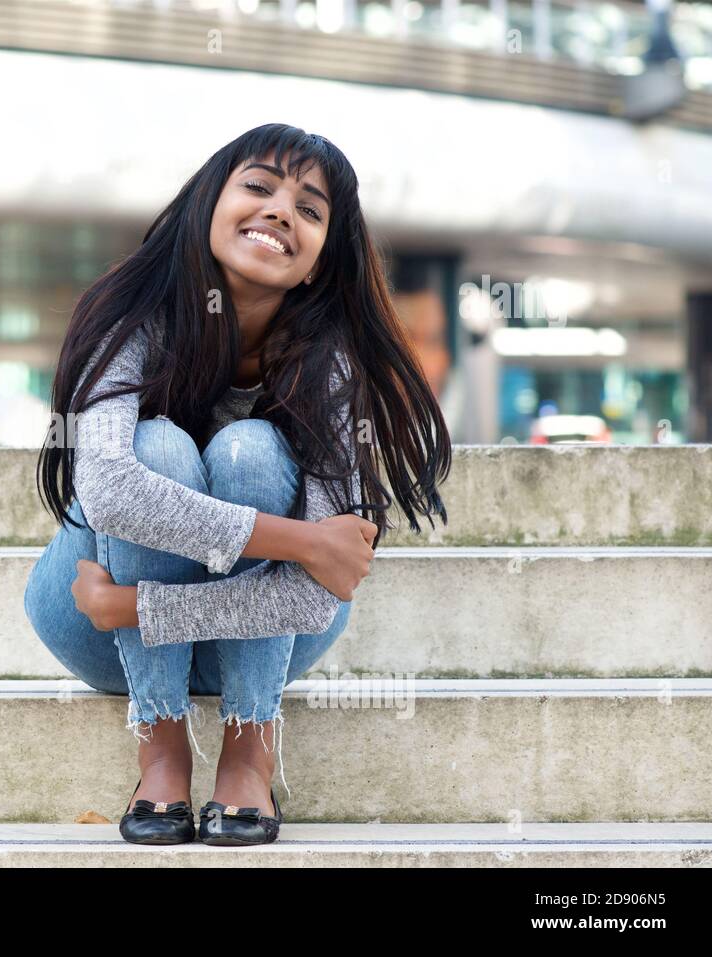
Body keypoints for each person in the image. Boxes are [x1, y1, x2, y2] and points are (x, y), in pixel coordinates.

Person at [24, 123, 451, 846]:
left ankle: (250, 744)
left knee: (251, 449)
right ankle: (159, 744)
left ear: (320, 260)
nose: (281, 210)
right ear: (207, 205)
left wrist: (131, 604)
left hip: (210, 628)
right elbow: (111, 495)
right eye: (259, 186)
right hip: (90, 625)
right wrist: (303, 539)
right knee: (153, 446)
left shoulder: (329, 365)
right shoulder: (130, 314)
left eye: (310, 210)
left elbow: (316, 595)